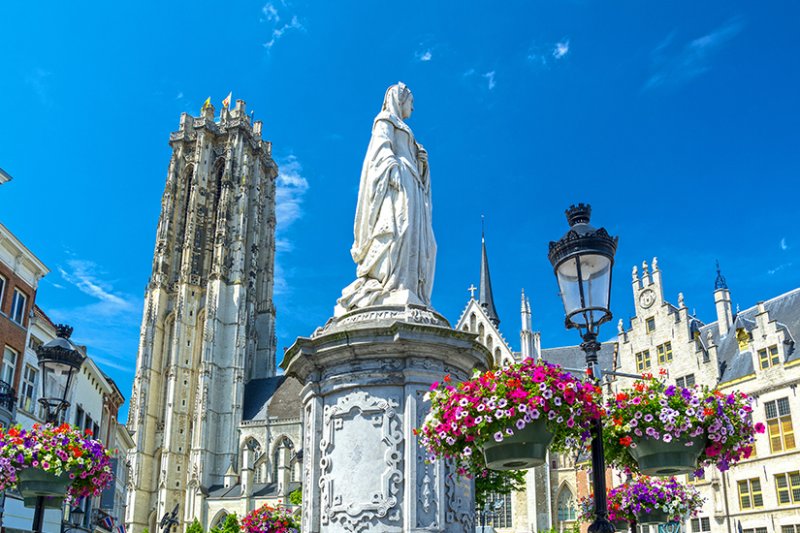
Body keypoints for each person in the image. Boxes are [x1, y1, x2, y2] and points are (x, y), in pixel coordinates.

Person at [335, 82, 437, 315]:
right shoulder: (385, 120)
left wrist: (421, 163)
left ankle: (409, 285)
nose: (412, 107)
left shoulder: (406, 130)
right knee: (399, 229)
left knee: (424, 242)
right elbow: (380, 150)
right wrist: (392, 167)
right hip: (398, 183)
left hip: (412, 185)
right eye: (411, 101)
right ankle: (392, 282)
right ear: (400, 100)